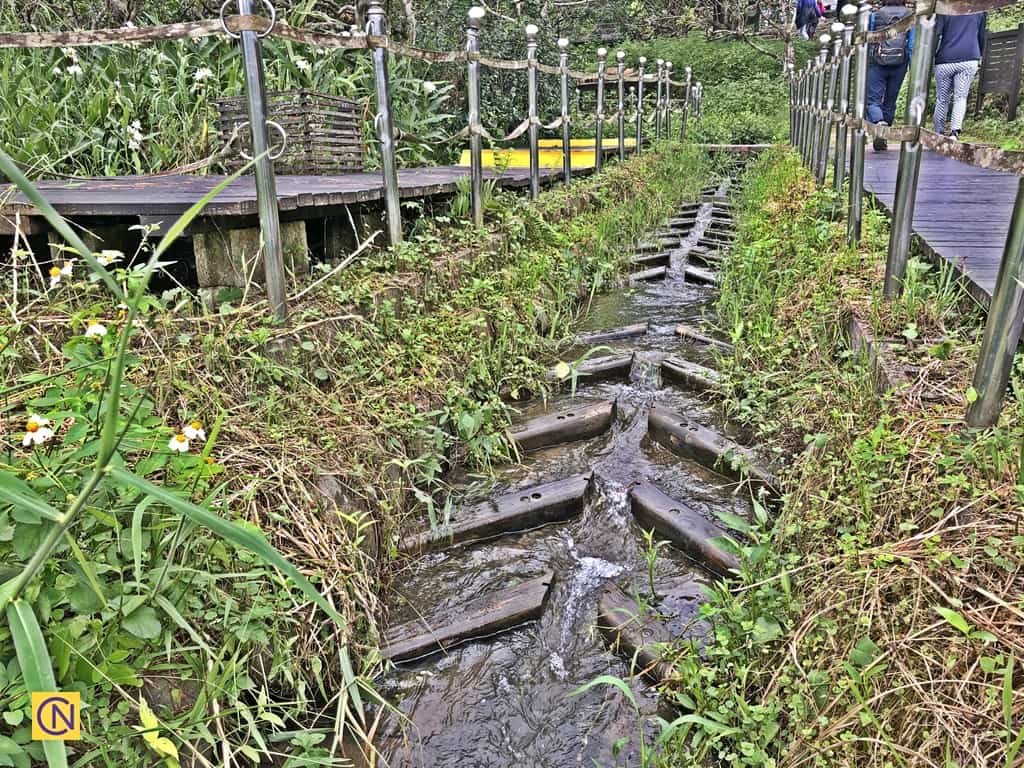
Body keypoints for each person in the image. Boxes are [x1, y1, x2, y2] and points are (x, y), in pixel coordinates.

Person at [867, 0, 915, 151]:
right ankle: (884, 134)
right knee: (890, 101)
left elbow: (868, 38)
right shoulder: (910, 16)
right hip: (900, 63)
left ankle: (878, 122)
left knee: (873, 100)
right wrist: (913, 66)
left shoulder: (875, 15)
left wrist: (868, 58)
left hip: (877, 63)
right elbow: (912, 43)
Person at [933, 12, 987, 140]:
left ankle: (938, 133)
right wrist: (980, 54)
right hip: (969, 59)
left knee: (942, 99)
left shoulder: (945, 10)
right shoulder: (979, 10)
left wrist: (932, 54)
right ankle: (954, 132)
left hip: (945, 59)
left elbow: (937, 35)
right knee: (960, 97)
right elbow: (981, 35)